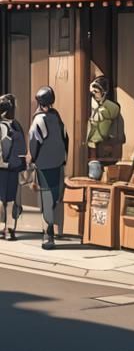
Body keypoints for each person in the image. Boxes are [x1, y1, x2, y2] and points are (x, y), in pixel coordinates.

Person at [25, 87, 67, 250]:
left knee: (47, 198)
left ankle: (48, 235)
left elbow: (34, 142)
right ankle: (57, 229)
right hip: (58, 162)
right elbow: (65, 138)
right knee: (56, 196)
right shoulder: (57, 117)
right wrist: (64, 157)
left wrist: (32, 159)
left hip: (44, 164)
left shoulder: (39, 120)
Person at [0, 94, 26, 240]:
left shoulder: (15, 125)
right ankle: (3, 228)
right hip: (4, 167)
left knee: (9, 199)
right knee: (3, 199)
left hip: (12, 167)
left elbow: (22, 147)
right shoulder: (10, 126)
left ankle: (8, 228)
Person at [87, 76, 123, 165]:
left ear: (103, 92)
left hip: (106, 143)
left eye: (96, 92)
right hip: (92, 143)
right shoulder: (90, 104)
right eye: (92, 92)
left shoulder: (112, 108)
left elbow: (117, 129)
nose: (93, 94)